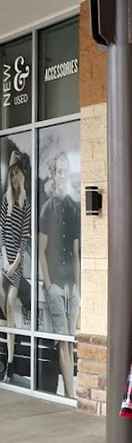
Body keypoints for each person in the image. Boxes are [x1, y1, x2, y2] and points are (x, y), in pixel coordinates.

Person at [38, 150, 80, 398]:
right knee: (63, 339)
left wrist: (78, 288)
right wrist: (47, 283)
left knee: (72, 339)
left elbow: (76, 252)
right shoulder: (47, 209)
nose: (62, 175)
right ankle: (69, 394)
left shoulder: (74, 209)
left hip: (71, 286)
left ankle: (69, 392)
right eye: (59, 171)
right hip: (54, 283)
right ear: (53, 175)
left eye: (66, 170)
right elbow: (42, 250)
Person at [0, 150, 30, 382]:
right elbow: (1, 232)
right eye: (11, 174)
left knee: (10, 305)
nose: (14, 178)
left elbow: (25, 237)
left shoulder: (25, 203)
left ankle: (10, 362)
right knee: (6, 309)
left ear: (21, 174)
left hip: (16, 266)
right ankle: (10, 343)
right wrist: (4, 259)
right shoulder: (5, 200)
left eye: (17, 173)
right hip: (3, 261)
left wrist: (15, 263)